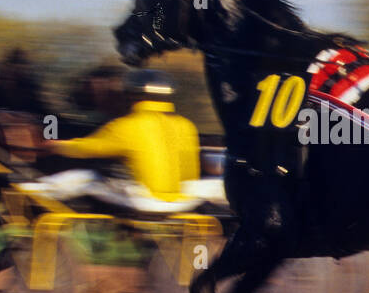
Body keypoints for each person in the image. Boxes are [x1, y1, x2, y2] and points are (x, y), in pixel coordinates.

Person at [19, 69, 220, 212]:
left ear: (132, 96)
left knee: (86, 177)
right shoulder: (186, 126)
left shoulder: (128, 124)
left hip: (143, 201)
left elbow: (89, 148)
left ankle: (32, 190)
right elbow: (188, 170)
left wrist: (57, 145)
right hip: (182, 202)